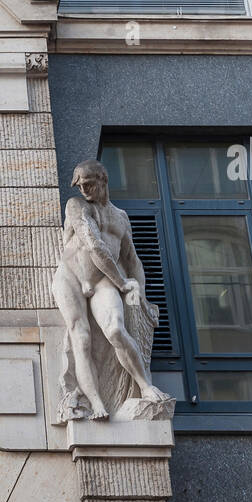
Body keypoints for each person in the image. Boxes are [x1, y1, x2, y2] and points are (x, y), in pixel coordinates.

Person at [51, 159, 166, 420]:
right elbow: (94, 246)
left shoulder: (121, 217)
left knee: (115, 329)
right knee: (81, 338)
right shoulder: (76, 206)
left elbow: (132, 260)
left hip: (104, 280)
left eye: (89, 185)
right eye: (80, 186)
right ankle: (96, 403)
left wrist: (143, 299)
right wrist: (123, 283)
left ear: (103, 181)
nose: (84, 190)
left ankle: (146, 386)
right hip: (71, 277)